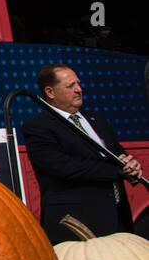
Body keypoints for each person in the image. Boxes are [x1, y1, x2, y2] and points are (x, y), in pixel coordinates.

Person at [20, 63, 143, 243]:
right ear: (50, 92)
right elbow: (62, 166)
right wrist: (116, 170)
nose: (79, 89)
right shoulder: (38, 127)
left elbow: (117, 155)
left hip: (117, 217)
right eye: (70, 86)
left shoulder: (96, 119)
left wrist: (130, 166)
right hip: (78, 222)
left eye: (78, 83)